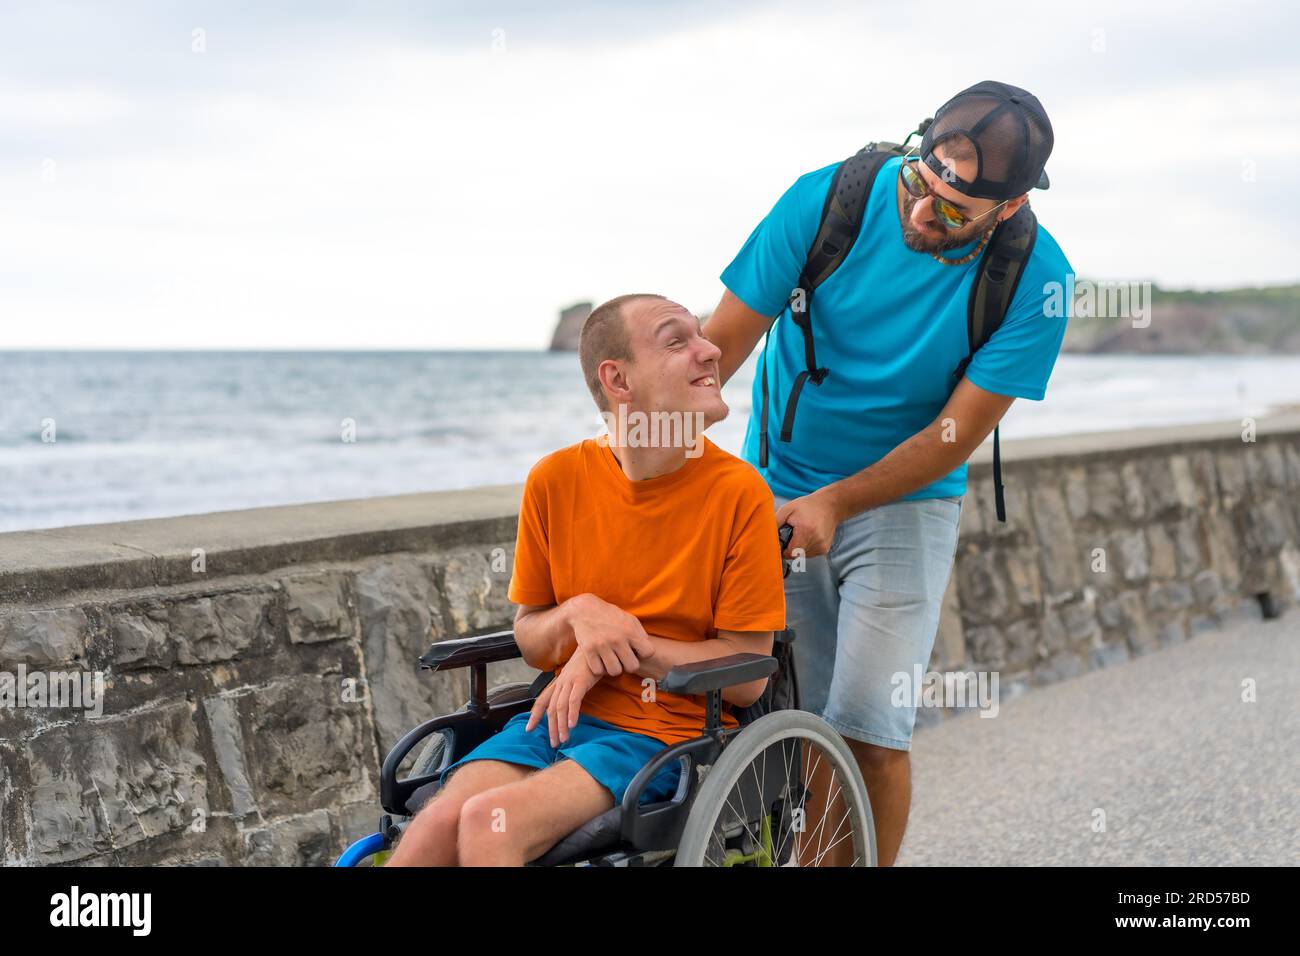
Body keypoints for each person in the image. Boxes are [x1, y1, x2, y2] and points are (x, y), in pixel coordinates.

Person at [702, 81, 1074, 865]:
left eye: (949, 214)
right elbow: (718, 351)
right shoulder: (827, 200)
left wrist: (837, 501)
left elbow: (954, 435)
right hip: (775, 479)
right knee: (789, 720)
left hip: (908, 497)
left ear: (1004, 210)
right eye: (918, 184)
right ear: (916, 150)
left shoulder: (1035, 278)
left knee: (870, 724)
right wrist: (641, 471)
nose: (918, 215)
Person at [387, 293, 786, 867]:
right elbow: (530, 635)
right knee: (437, 824)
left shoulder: (739, 494)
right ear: (617, 380)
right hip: (559, 717)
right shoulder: (555, 481)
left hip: (666, 731)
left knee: (488, 825)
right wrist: (578, 615)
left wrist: (616, 647)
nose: (712, 350)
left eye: (701, 335)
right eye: (678, 341)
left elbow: (746, 678)